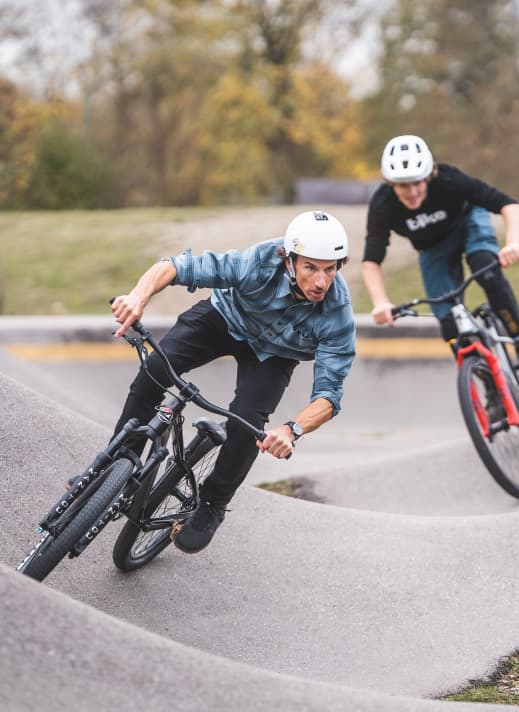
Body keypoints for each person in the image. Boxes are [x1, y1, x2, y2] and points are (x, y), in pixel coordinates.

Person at [108, 210, 355, 554]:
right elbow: (177, 266)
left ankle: (213, 504)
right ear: (290, 261)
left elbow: (329, 396)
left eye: (330, 269)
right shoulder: (258, 263)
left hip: (275, 356)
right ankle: (118, 466)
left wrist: (291, 430)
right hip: (224, 320)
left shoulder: (337, 313)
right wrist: (138, 297)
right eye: (310, 268)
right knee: (155, 369)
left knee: (248, 424)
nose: (320, 282)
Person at [362, 134, 519, 375]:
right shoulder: (382, 205)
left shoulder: (449, 179)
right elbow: (371, 261)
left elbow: (508, 204)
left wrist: (512, 243)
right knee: (448, 322)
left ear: (429, 176)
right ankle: (485, 381)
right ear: (390, 185)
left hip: (469, 225)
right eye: (403, 186)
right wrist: (380, 302)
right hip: (433, 249)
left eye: (418, 183)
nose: (412, 192)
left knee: (486, 269)